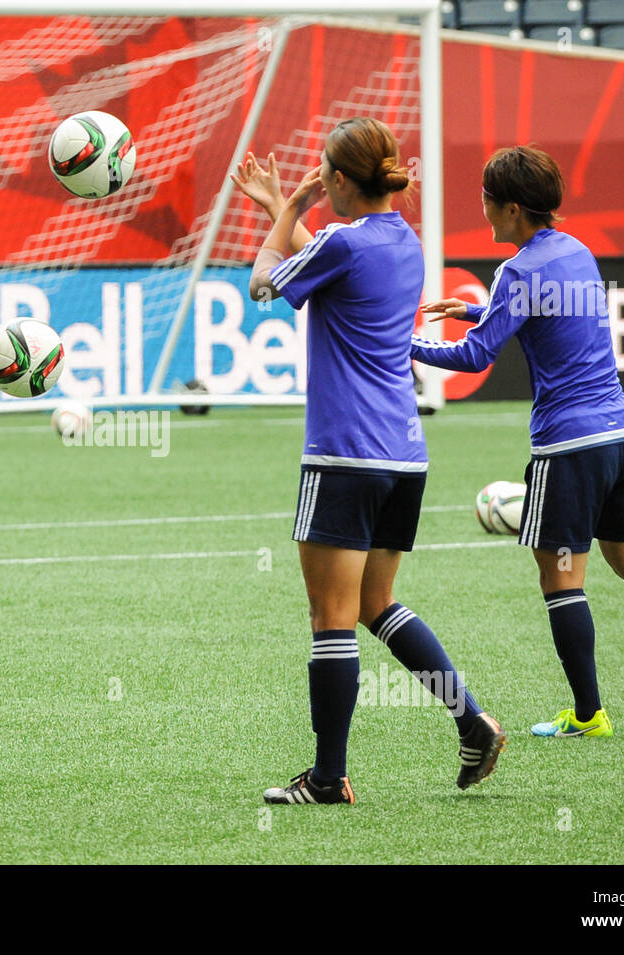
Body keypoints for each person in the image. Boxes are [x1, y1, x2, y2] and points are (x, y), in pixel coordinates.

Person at [412, 145, 624, 738]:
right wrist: (479, 310)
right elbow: (551, 315)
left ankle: (588, 715)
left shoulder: (516, 270)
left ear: (510, 208)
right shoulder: (577, 252)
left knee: (561, 578)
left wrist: (401, 347)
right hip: (621, 434)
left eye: (485, 198)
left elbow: (475, 357)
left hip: (568, 444)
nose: (479, 206)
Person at [235, 119, 506, 806]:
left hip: (343, 453)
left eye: (326, 170)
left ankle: (328, 777)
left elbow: (263, 284)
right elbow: (327, 265)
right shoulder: (401, 240)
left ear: (345, 181)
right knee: (375, 602)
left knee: (332, 615)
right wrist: (284, 215)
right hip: (403, 457)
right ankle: (470, 718)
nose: (318, 177)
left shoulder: (342, 239)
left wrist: (287, 210)